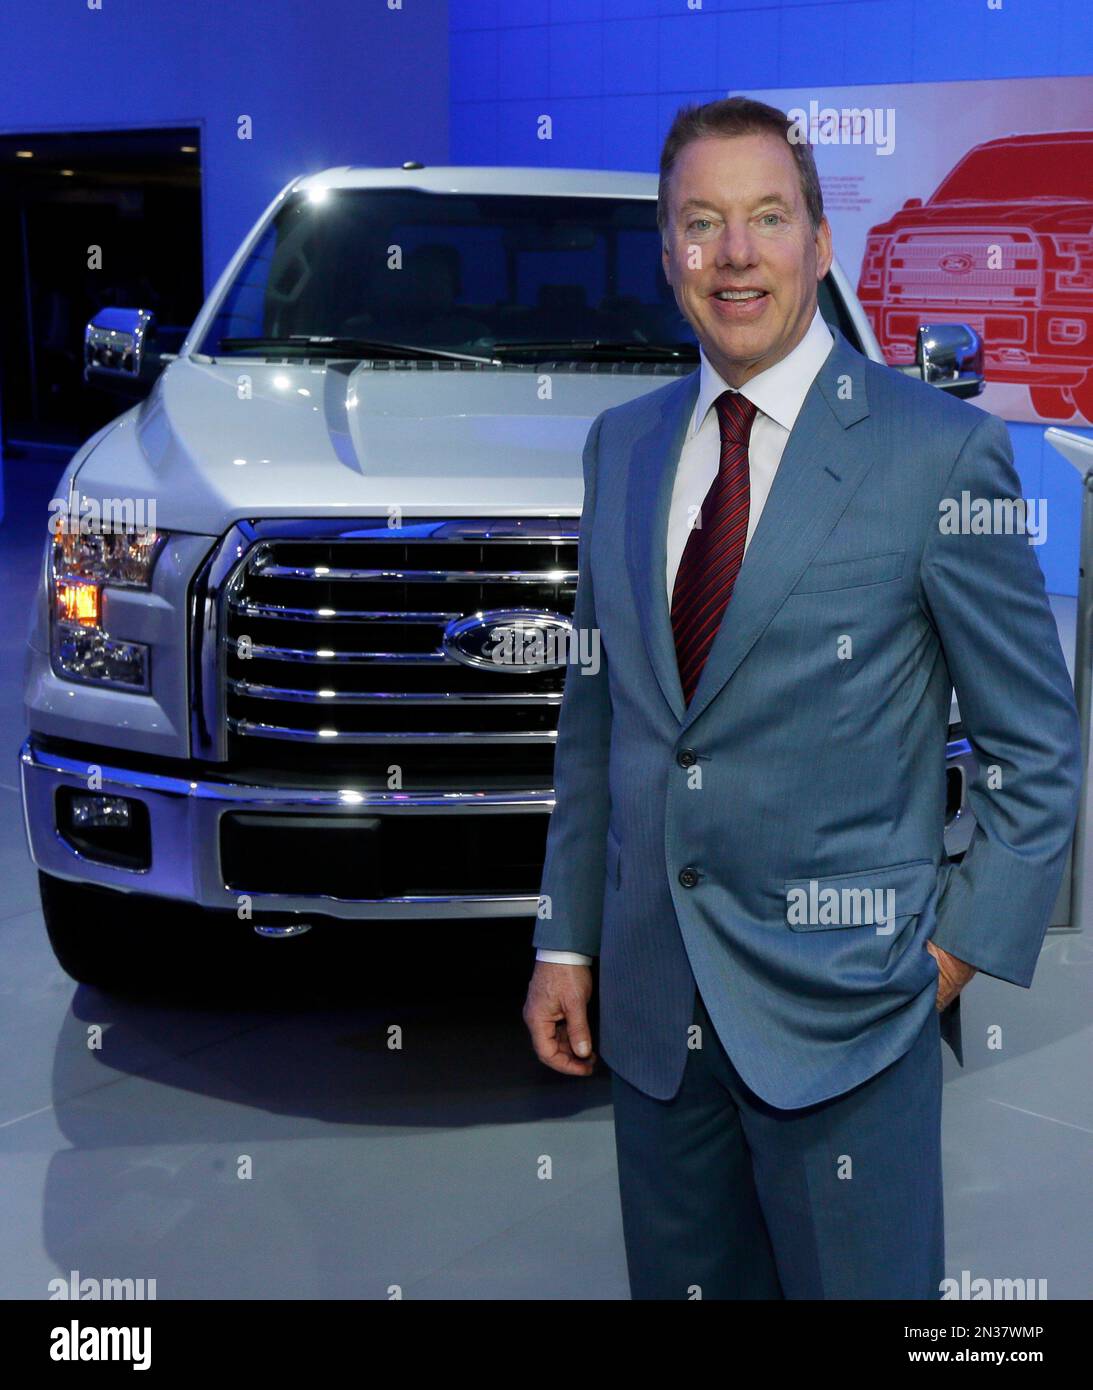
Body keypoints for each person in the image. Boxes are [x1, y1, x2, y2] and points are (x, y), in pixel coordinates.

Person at [523, 96, 1083, 1300]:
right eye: (701, 223)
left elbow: (1035, 748)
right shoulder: (621, 447)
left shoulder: (933, 453)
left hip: (850, 1025)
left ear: (821, 243)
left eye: (767, 217)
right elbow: (599, 721)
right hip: (653, 1018)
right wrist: (566, 937)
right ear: (667, 251)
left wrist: (945, 959)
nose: (734, 254)